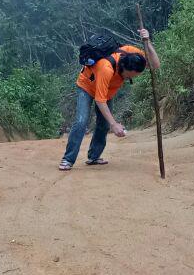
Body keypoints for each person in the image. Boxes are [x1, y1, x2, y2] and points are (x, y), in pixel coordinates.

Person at [59, 29, 161, 171]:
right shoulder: (106, 68)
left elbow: (155, 65)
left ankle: (94, 157)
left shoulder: (131, 54)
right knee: (81, 121)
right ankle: (68, 159)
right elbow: (100, 101)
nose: (131, 78)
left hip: (108, 91)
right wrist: (114, 124)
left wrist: (147, 41)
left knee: (103, 124)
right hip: (87, 86)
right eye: (129, 76)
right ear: (123, 67)